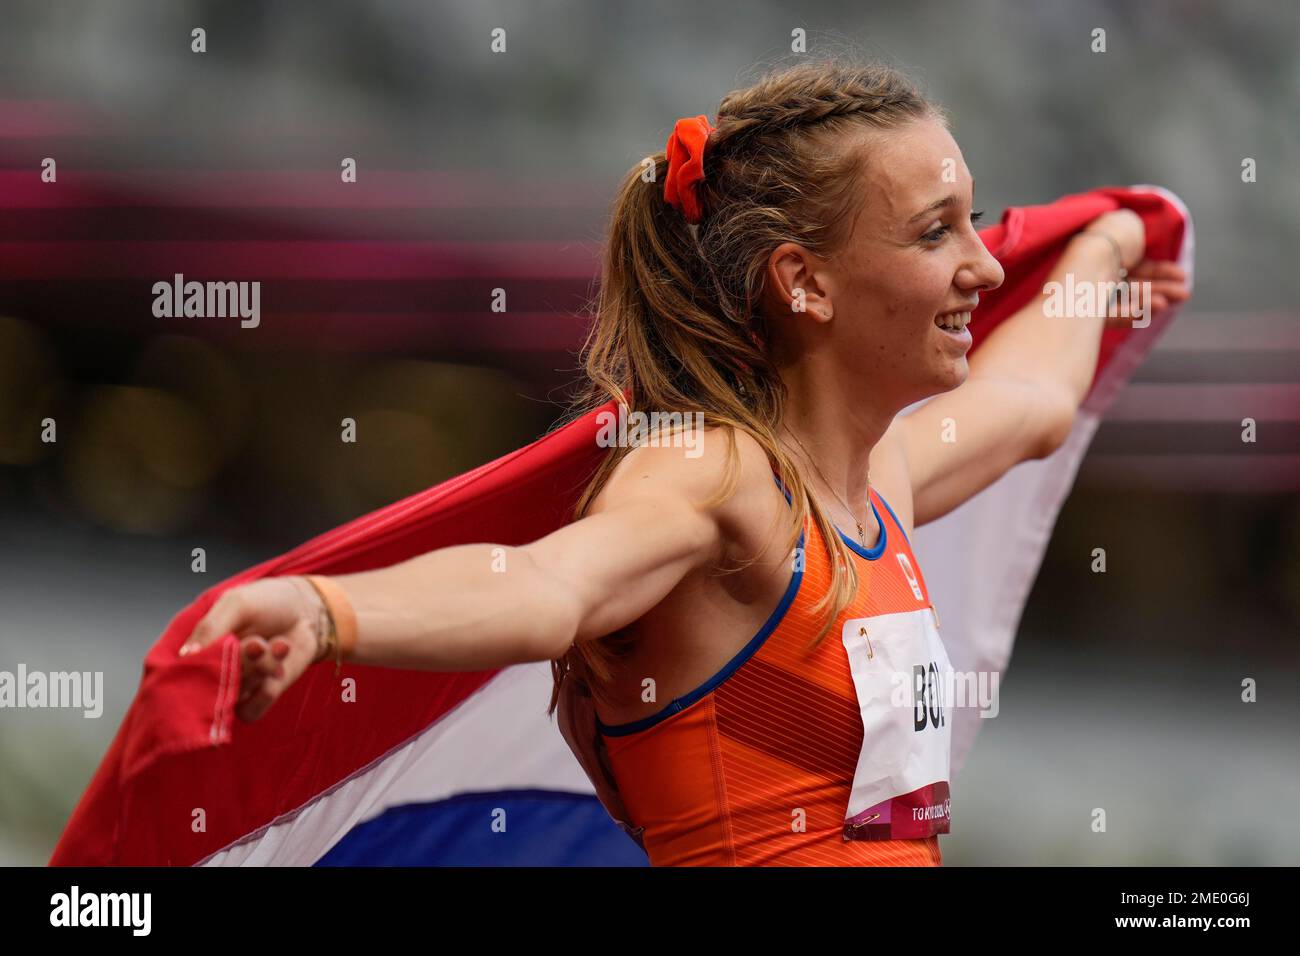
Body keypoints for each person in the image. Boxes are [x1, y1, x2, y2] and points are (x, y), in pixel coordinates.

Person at [177, 57, 1190, 865]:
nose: (984, 262)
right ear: (805, 282)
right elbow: (544, 584)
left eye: (976, 217)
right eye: (937, 231)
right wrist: (329, 615)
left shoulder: (876, 477)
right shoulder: (712, 475)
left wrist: (1107, 245)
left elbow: (1034, 403)